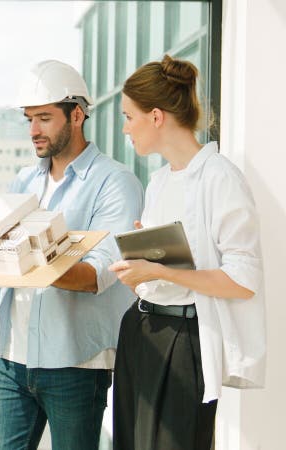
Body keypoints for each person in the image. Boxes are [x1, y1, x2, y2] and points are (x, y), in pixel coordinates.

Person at [0, 60, 144, 450]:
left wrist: (27, 258)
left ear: (76, 115)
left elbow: (97, 275)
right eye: (28, 119)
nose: (33, 130)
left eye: (44, 118)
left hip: (75, 364)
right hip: (12, 358)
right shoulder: (24, 178)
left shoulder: (116, 183)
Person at [109, 55, 266, 450]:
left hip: (184, 340)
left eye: (129, 117)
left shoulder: (221, 178)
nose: (125, 128)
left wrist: (159, 271)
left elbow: (244, 281)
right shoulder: (160, 180)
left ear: (156, 116)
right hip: (141, 331)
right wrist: (145, 262)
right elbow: (165, 268)